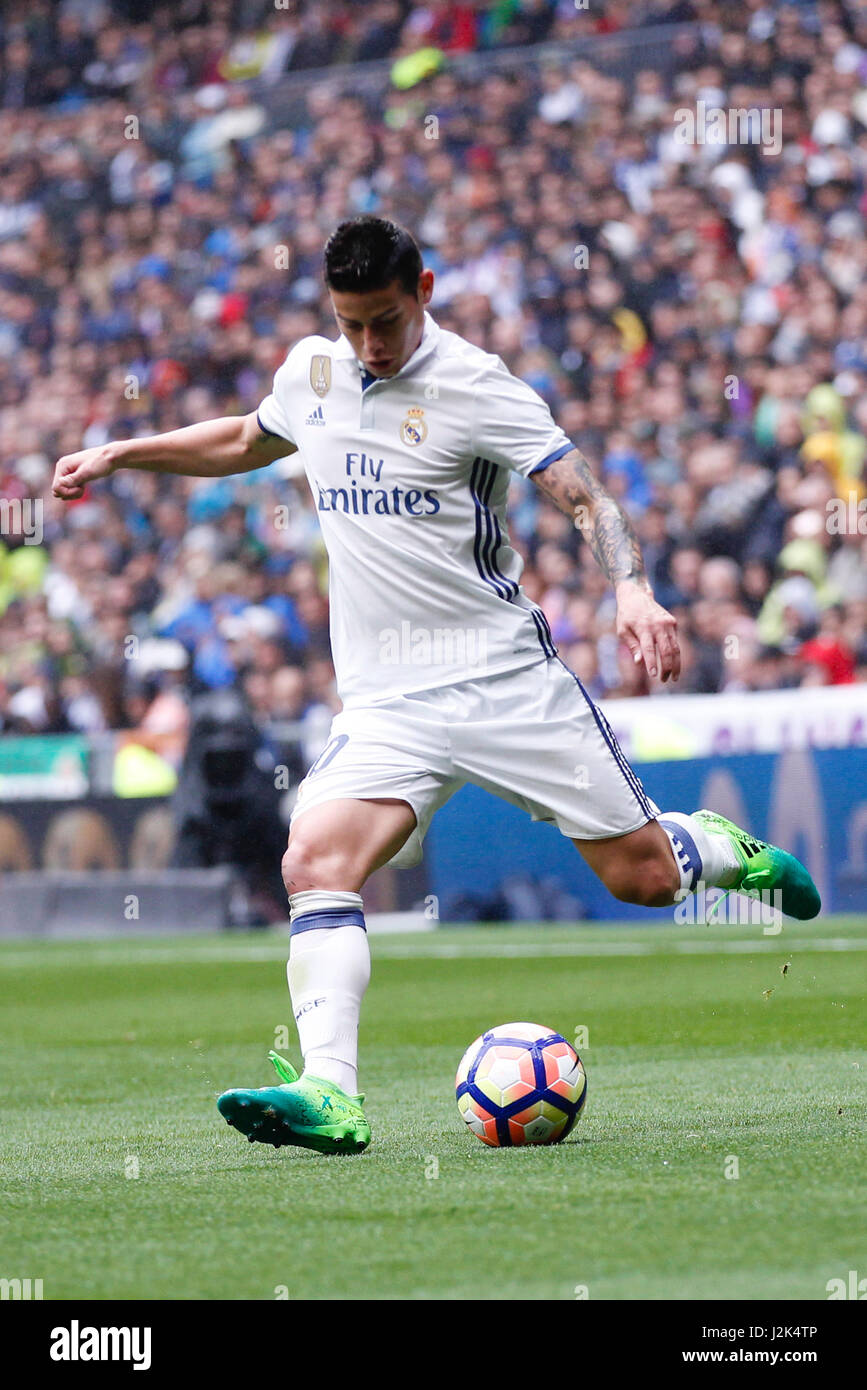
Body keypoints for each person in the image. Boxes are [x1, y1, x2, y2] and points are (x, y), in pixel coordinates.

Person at [52, 216, 820, 1157]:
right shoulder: (315, 371)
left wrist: (630, 586)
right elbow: (249, 439)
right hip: (387, 703)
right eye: (350, 324)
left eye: (383, 320)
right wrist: (124, 452)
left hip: (503, 682)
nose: (369, 346)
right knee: (314, 864)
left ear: (423, 288)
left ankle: (714, 847)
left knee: (644, 879)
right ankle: (330, 1092)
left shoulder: (476, 385)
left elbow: (583, 494)